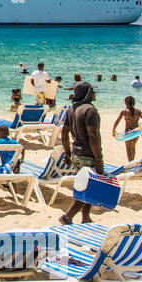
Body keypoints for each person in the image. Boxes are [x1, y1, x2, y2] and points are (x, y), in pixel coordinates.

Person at [59, 81, 103, 226]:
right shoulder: (90, 111)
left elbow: (64, 133)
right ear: (88, 94)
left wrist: (67, 152)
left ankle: (86, 217)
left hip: (76, 154)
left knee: (86, 185)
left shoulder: (72, 110)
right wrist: (99, 158)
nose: (95, 93)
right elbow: (92, 136)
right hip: (88, 154)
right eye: (93, 91)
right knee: (90, 189)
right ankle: (68, 216)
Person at [113, 95, 142, 161]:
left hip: (128, 131)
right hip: (136, 131)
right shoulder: (138, 111)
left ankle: (130, 162)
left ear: (125, 103)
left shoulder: (124, 112)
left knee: (128, 148)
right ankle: (132, 161)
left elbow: (117, 121)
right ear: (134, 103)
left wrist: (113, 130)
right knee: (133, 147)